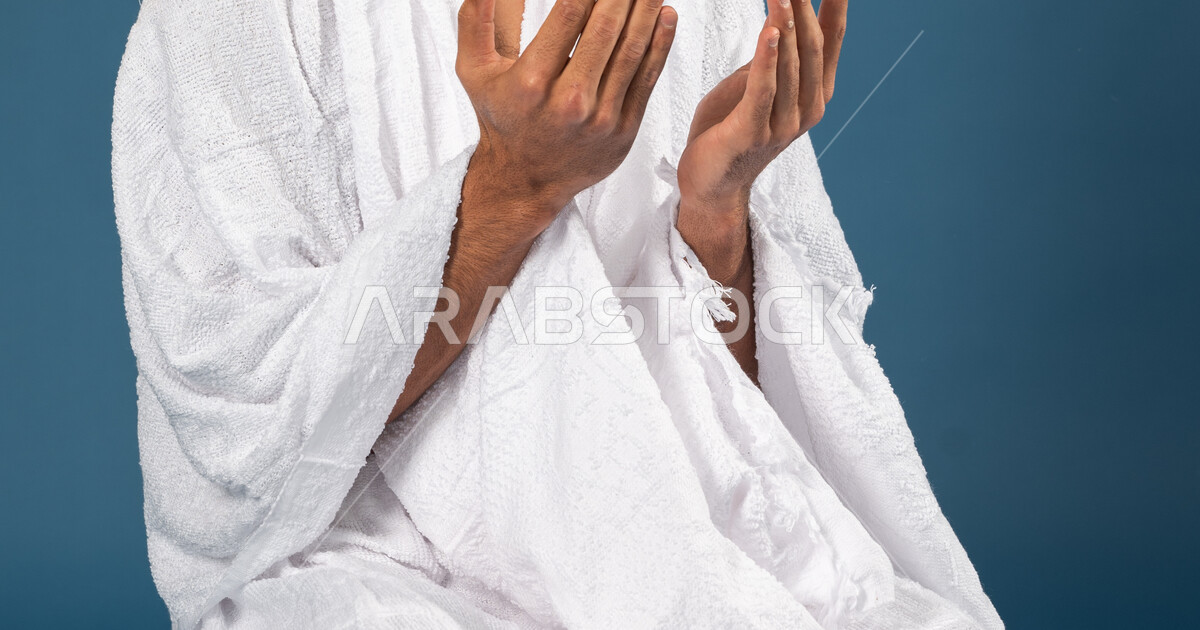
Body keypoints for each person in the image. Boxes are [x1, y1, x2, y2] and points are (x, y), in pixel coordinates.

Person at [112, 0, 1003, 627]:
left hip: (680, 530)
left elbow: (765, 424)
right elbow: (245, 426)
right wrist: (513, 185)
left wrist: (715, 213)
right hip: (372, 565)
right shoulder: (229, 20)